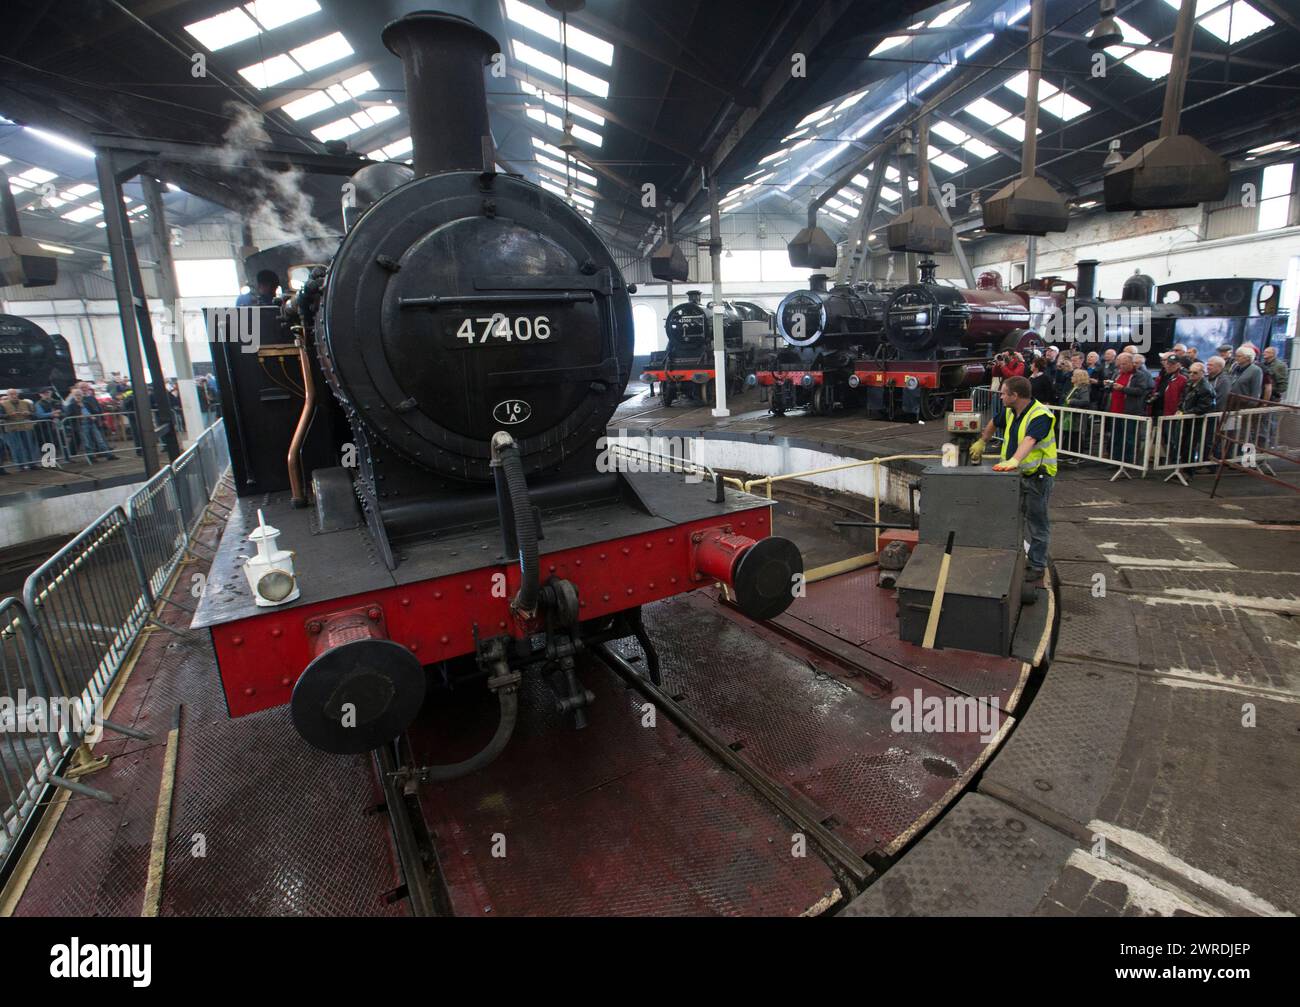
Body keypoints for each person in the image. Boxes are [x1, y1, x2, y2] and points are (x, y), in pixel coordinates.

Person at [971, 376, 1057, 582]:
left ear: (1015, 395)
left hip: (1037, 477)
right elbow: (994, 421)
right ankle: (1014, 554)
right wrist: (982, 441)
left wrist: (1015, 460)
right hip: (1015, 476)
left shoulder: (1040, 415)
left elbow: (1030, 439)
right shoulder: (1011, 411)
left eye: (1003, 393)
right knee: (1012, 516)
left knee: (1038, 523)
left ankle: (1037, 566)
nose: (1000, 397)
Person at [1104, 352, 1151, 465]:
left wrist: (1123, 388)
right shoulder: (1117, 373)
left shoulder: (1140, 375)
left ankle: (1128, 461)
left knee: (1129, 438)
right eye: (1120, 364)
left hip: (1130, 411)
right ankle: (1115, 460)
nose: (1121, 366)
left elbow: (1141, 391)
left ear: (1131, 363)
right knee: (1116, 437)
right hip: (1115, 410)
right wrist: (1109, 385)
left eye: (1124, 364)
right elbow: (1112, 389)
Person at [1178, 361, 1216, 466]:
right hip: (1188, 419)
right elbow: (1184, 398)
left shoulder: (1205, 388)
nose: (1191, 374)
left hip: (1197, 421)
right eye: (1190, 372)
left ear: (1202, 373)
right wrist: (1181, 409)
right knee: (1184, 444)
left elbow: (1203, 407)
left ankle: (1189, 469)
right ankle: (1183, 466)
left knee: (1190, 446)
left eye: (1195, 373)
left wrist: (1185, 412)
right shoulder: (1190, 383)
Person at [0, 389, 38, 472]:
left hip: (26, 427)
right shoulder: (2, 405)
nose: (14, 396)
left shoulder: (26, 403)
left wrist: (29, 413)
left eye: (15, 394)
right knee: (16, 448)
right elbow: (0, 415)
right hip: (12, 428)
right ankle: (20, 466)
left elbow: (35, 414)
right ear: (8, 395)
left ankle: (32, 464)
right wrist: (8, 415)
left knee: (29, 446)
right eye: (11, 394)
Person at [1060, 368, 1093, 459]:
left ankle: (1078, 456)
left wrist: (1071, 401)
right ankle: (1068, 454)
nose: (1071, 377)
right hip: (1070, 416)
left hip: (1077, 417)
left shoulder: (1083, 388)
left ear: (1079, 378)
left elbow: (1085, 401)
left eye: (1074, 376)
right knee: (1069, 435)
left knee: (1076, 437)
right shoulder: (1074, 387)